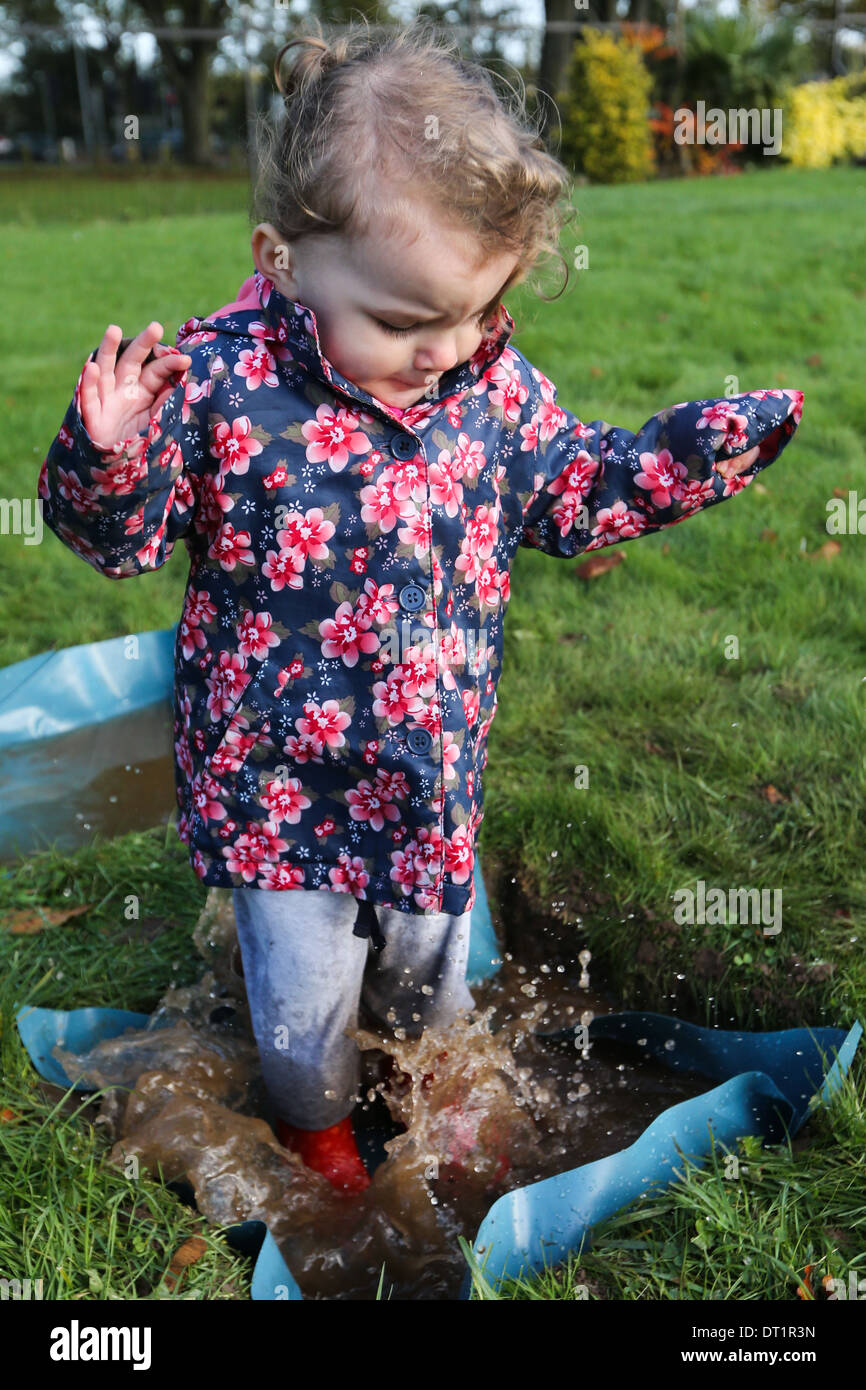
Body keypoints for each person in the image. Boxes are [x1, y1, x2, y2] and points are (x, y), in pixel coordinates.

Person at [38, 18, 804, 1194]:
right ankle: (320, 1146)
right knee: (300, 1016)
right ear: (285, 258)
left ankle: (432, 1119)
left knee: (425, 994)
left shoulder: (488, 386)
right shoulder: (225, 382)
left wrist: (688, 455)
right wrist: (108, 453)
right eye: (403, 321)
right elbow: (119, 540)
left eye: (475, 314)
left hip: (427, 775)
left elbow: (570, 489)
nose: (444, 349)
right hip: (273, 789)